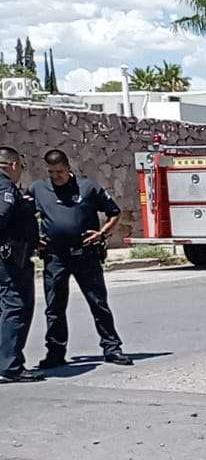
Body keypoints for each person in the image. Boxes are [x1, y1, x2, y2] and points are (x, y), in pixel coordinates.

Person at [29, 148, 132, 368]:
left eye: (59, 172)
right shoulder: (38, 188)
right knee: (54, 307)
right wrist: (33, 238)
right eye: (51, 172)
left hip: (85, 254)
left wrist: (101, 233)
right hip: (55, 256)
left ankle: (112, 348)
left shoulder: (88, 187)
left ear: (68, 168)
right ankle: (55, 352)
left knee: (98, 303)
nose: (55, 176)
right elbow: (25, 215)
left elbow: (114, 212)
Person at [0, 146, 43, 382]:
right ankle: (10, 366)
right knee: (15, 306)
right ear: (14, 165)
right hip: (10, 260)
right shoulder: (5, 187)